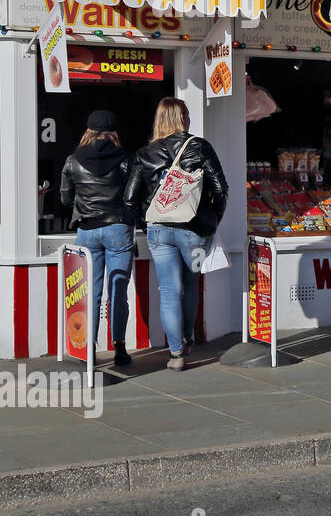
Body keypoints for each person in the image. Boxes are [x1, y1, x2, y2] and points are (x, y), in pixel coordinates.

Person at [125, 98, 228, 371]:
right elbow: (220, 189)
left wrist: (147, 225)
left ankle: (176, 353)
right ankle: (188, 338)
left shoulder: (145, 154)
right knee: (191, 285)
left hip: (158, 231)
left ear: (159, 120)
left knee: (169, 291)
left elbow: (129, 200)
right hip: (193, 232)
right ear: (184, 118)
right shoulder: (199, 146)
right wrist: (212, 222)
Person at [59, 110, 135, 367]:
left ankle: (87, 349)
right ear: (113, 133)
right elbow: (132, 196)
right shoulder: (125, 160)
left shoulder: (72, 160)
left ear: (88, 131)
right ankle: (121, 349)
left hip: (87, 230)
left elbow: (65, 199)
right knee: (118, 289)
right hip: (118, 228)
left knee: (88, 292)